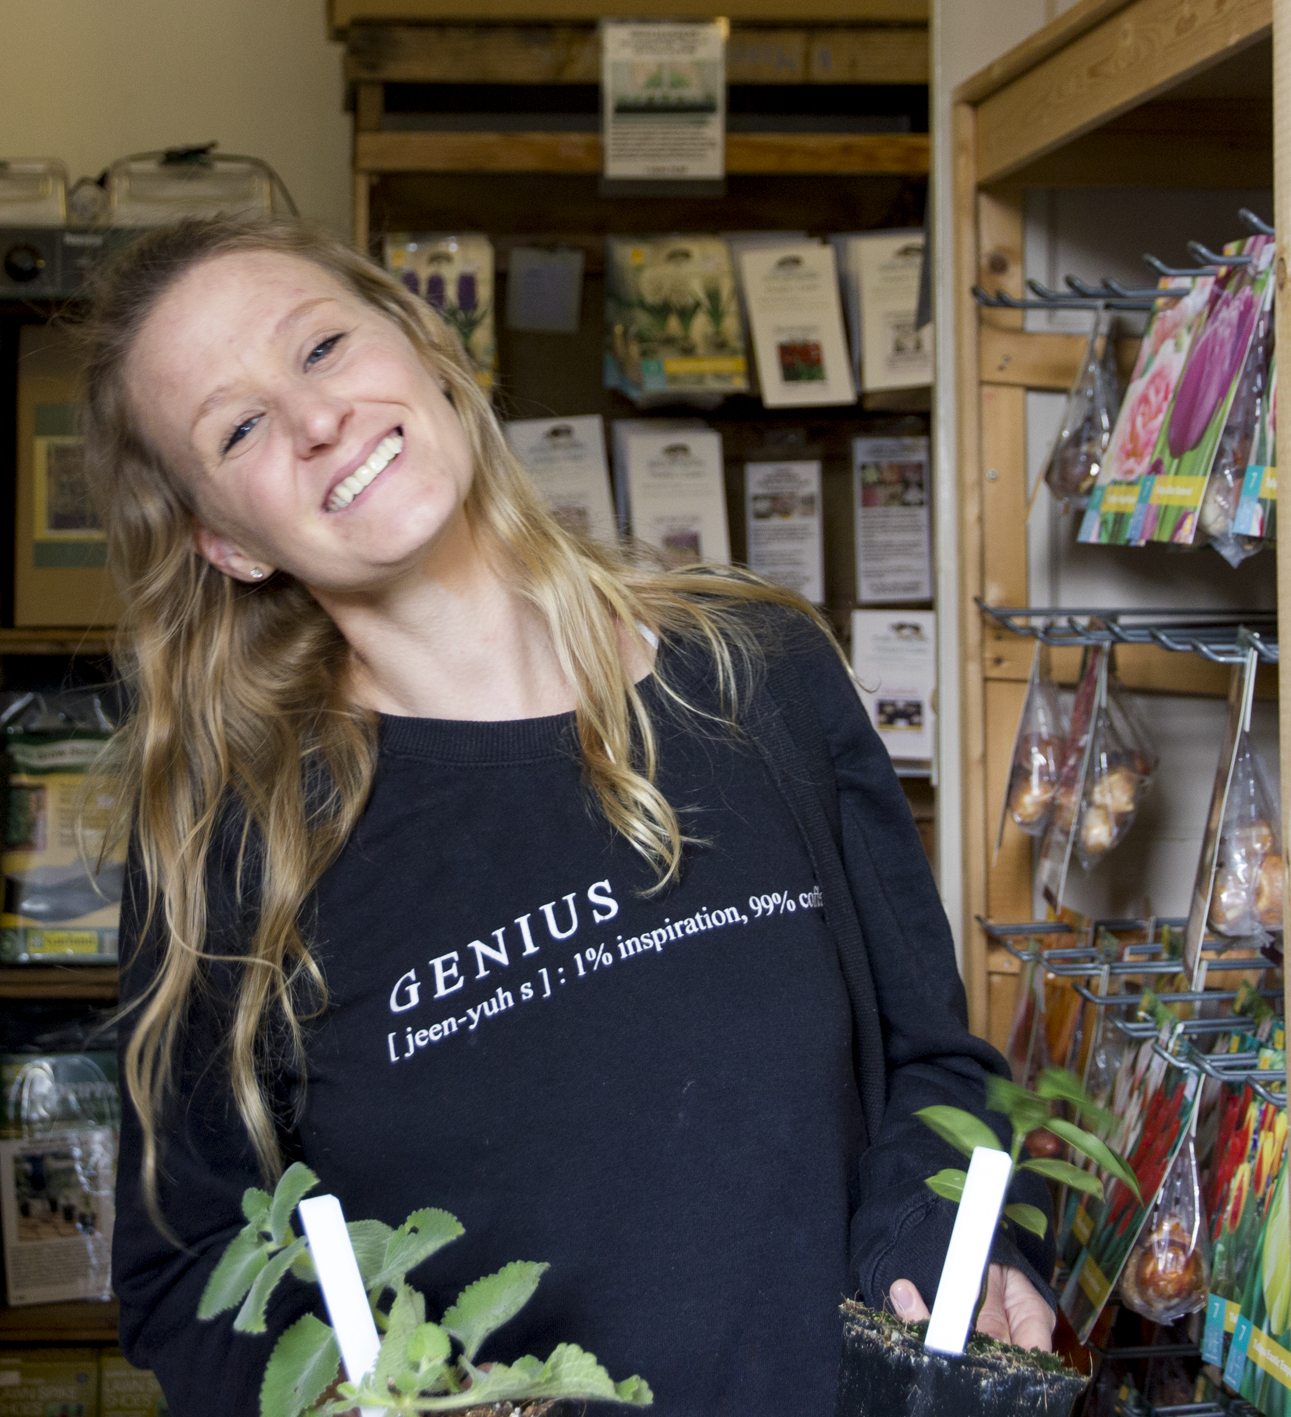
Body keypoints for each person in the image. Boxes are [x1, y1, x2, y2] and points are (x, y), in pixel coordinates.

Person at [82, 216, 1056, 1417]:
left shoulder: (760, 673)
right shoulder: (234, 844)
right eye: (236, 427)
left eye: (323, 347)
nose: (314, 419)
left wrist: (954, 1246)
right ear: (223, 541)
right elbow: (187, 1274)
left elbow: (933, 1065)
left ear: (427, 348)